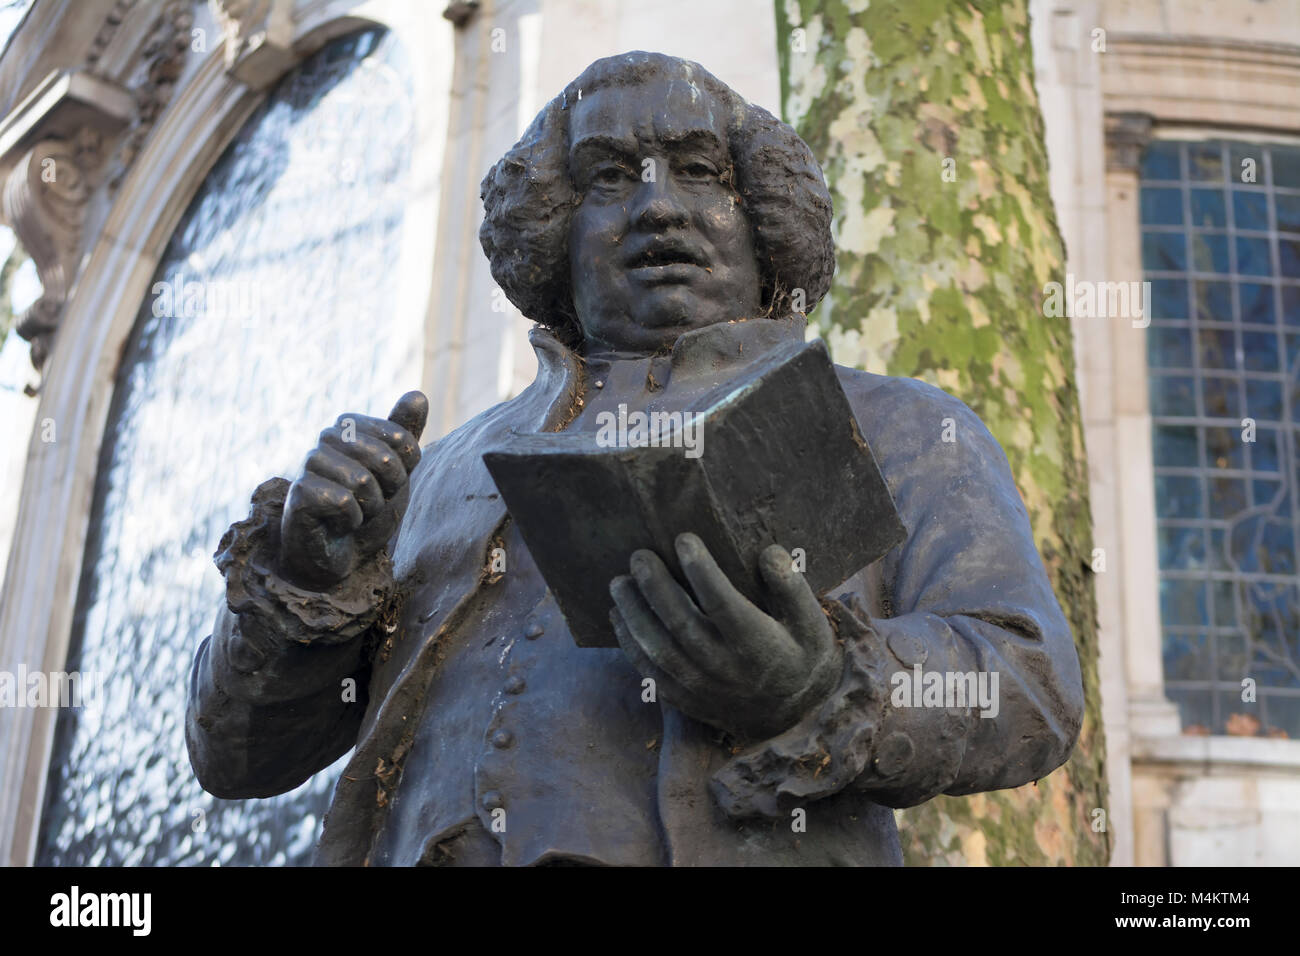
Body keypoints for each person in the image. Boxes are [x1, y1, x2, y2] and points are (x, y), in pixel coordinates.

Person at [186, 51, 1084, 866]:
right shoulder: (445, 469)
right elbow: (237, 756)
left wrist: (819, 686)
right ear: (556, 229)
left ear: (760, 211)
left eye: (699, 170)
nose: (657, 204)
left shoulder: (899, 425)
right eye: (609, 179)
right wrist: (310, 576)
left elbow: (1031, 685)